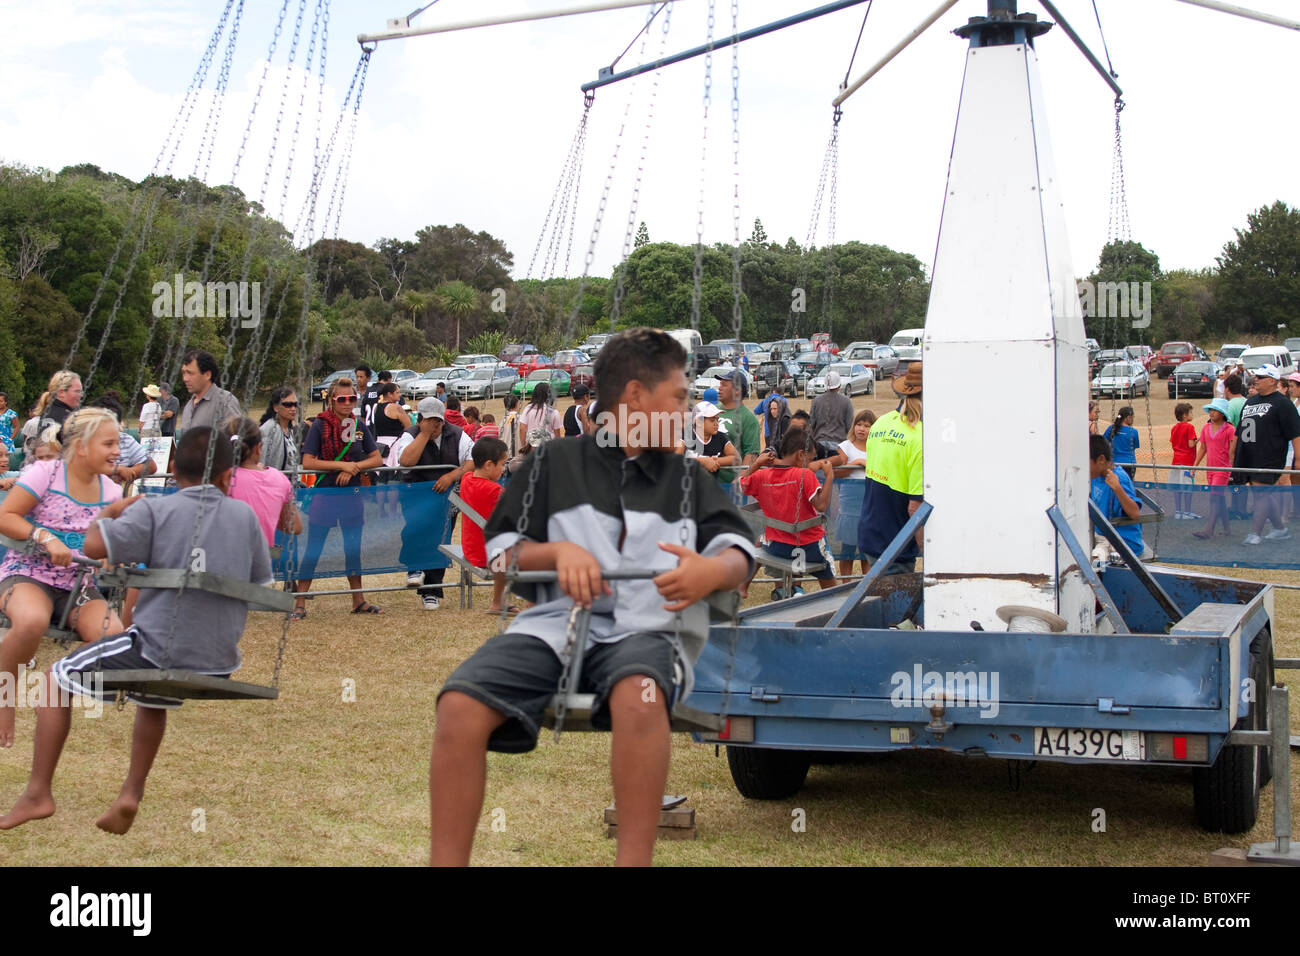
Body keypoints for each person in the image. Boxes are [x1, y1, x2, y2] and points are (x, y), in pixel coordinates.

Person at [429, 327, 755, 866]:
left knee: (639, 695)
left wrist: (710, 571)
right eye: (678, 397)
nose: (687, 409)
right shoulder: (554, 463)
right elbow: (502, 552)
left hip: (648, 631)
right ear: (634, 397)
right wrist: (555, 554)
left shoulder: (686, 478)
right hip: (557, 625)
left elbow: (738, 550)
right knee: (459, 705)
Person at [0, 428, 271, 833]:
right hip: (218, 662)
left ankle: (39, 793)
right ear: (227, 472)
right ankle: (130, 793)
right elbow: (258, 581)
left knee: (53, 682)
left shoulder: (156, 510)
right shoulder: (244, 516)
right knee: (152, 698)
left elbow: (93, 548)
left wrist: (108, 515)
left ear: (173, 467)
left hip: (157, 649)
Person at [0, 408, 126, 749]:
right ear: (82, 447)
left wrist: (111, 557)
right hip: (28, 574)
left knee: (111, 639)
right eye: (109, 443)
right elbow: (6, 515)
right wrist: (44, 537)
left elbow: (109, 545)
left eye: (117, 443)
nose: (117, 451)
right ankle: (4, 698)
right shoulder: (46, 472)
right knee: (31, 621)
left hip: (78, 585)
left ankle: (53, 681)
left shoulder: (112, 492)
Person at [293, 377, 384, 618]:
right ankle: (300, 603)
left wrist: (353, 467)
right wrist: (339, 467)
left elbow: (376, 459)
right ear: (332, 401)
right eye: (341, 399)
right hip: (325, 494)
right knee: (314, 547)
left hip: (352, 494)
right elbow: (308, 461)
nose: (347, 403)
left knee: (352, 548)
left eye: (352, 398)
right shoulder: (319, 426)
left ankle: (358, 600)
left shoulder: (359, 425)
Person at [393, 397, 474, 610]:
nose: (436, 426)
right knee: (414, 532)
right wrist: (424, 434)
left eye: (438, 421)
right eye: (430, 421)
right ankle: (415, 568)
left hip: (445, 498)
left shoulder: (457, 433)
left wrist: (452, 475)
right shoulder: (409, 434)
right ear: (419, 419)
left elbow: (472, 460)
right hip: (415, 495)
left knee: (442, 540)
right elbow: (406, 461)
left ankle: (432, 590)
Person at [742, 427, 837, 596]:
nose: (811, 462)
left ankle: (743, 587)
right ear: (800, 455)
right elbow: (821, 505)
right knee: (827, 565)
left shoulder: (762, 476)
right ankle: (833, 598)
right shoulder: (804, 475)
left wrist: (757, 464)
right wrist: (829, 476)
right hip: (808, 549)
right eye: (810, 458)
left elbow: (742, 483)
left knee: (761, 539)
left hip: (777, 547)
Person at [857, 363, 924, 577]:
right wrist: (928, 553)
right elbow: (915, 507)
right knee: (895, 608)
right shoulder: (921, 437)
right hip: (896, 543)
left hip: (870, 533)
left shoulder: (880, 424)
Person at [1234, 364, 1300, 545]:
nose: (1257, 379)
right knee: (1262, 494)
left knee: (1261, 492)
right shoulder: (1250, 402)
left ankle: (1255, 533)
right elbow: (1239, 432)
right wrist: (1235, 454)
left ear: (1272, 380)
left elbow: (1295, 434)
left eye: (1261, 377)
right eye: (1257, 376)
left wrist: (1298, 460)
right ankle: (1280, 529)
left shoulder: (1283, 403)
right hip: (1248, 456)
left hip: (1269, 456)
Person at [227, 417, 302, 547]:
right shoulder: (278, 479)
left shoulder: (220, 479)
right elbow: (294, 526)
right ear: (258, 448)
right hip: (261, 559)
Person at [459, 437, 514, 614]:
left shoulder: (467, 479)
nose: (504, 469)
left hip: (471, 548)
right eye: (503, 464)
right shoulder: (495, 491)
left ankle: (499, 602)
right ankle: (527, 604)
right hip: (488, 554)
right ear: (489, 465)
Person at [824, 409, 875, 578]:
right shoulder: (845, 447)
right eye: (859, 424)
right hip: (849, 506)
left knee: (867, 548)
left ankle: (865, 584)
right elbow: (836, 472)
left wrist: (863, 462)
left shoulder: (877, 448)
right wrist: (855, 463)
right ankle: (846, 583)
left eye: (867, 426)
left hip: (869, 504)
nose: (862, 429)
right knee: (848, 548)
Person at [1089, 434, 1150, 560]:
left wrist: (1117, 488)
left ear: (1101, 459)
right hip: (1103, 537)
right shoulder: (1095, 477)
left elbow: (1135, 513)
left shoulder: (1119, 478)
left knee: (1095, 563)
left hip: (1122, 541)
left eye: (1086, 462)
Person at [88, 394, 157, 488]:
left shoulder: (125, 440)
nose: (116, 451)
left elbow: (151, 466)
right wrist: (116, 470)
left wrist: (129, 471)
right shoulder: (85, 442)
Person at [1192, 397, 1236, 540]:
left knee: (1214, 497)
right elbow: (1203, 448)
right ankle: (1227, 529)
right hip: (1210, 468)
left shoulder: (1230, 429)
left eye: (1215, 410)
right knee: (1219, 498)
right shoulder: (1206, 428)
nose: (1211, 413)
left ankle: (1209, 529)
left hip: (1223, 468)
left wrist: (1232, 468)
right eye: (1210, 410)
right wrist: (1195, 466)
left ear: (1222, 413)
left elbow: (1232, 451)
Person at [178, 348, 242, 436]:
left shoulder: (225, 401)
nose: (185, 379)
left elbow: (237, 441)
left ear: (207, 375)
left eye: (190, 373)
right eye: (184, 373)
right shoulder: (188, 407)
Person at [715, 369, 761, 485]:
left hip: (728, 486)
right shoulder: (713, 411)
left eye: (724, 385)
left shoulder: (748, 418)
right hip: (707, 482)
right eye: (720, 384)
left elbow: (751, 455)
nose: (719, 388)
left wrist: (738, 481)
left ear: (737, 391)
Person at [24, 371, 83, 457]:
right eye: (77, 391)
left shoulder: (47, 412)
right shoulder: (68, 417)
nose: (80, 395)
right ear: (61, 392)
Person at [680, 401, 738, 483]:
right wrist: (702, 461)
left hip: (709, 488)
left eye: (717, 419)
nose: (716, 424)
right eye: (712, 420)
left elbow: (736, 458)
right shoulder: (685, 435)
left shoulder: (720, 437)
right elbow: (675, 459)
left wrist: (715, 461)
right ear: (698, 422)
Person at [809, 370, 854, 459]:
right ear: (839, 386)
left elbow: (811, 423)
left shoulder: (817, 400)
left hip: (819, 443)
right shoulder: (846, 401)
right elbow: (849, 424)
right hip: (838, 443)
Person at [259, 386, 301, 476]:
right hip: (274, 485)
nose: (293, 408)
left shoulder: (289, 430)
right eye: (288, 404)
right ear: (276, 407)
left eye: (296, 404)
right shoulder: (269, 429)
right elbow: (259, 462)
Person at [1170, 403, 1200, 519]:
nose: (1192, 415)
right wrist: (1198, 440)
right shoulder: (1189, 427)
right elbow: (1191, 444)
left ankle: (1178, 512)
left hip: (1176, 461)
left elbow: (1173, 442)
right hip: (1187, 461)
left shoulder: (1174, 428)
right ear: (1184, 415)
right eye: (1190, 412)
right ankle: (1187, 512)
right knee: (1188, 487)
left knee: (1177, 487)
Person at [371, 382, 411, 465]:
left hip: (380, 446)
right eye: (397, 392)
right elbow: (409, 427)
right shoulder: (396, 407)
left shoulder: (376, 407)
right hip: (395, 446)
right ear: (389, 394)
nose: (399, 395)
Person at [517, 382, 562, 452]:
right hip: (548, 447)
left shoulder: (528, 410)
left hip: (531, 447)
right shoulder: (553, 412)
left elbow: (522, 429)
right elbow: (557, 434)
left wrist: (524, 446)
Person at [1103, 406, 1140, 479]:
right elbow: (1134, 446)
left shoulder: (1112, 428)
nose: (1133, 419)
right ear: (1128, 417)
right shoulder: (1134, 432)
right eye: (1133, 417)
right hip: (1129, 463)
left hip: (1114, 463)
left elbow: (1104, 441)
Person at [500, 393, 524, 473]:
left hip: (507, 458)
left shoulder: (502, 422)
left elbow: (500, 439)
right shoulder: (522, 419)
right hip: (519, 458)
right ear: (517, 404)